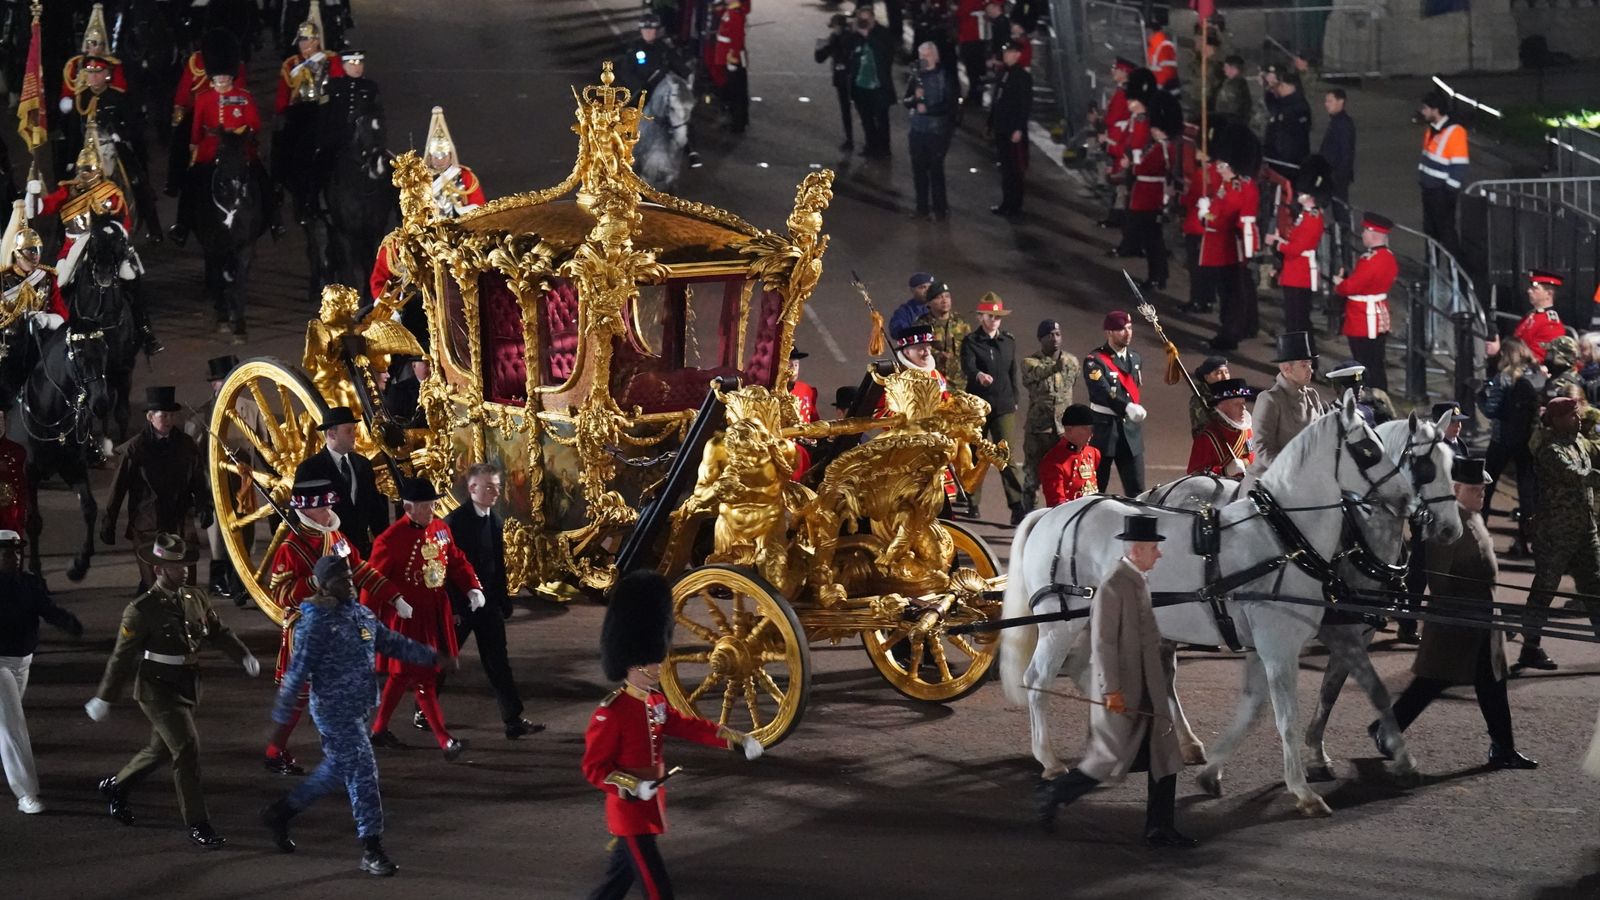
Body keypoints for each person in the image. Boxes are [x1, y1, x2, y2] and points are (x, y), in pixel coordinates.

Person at [261, 554, 450, 875]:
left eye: (350, 577)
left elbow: (390, 642)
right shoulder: (315, 624)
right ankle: (371, 849)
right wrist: (280, 722)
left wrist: (432, 656)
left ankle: (280, 813)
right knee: (364, 774)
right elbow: (297, 673)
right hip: (334, 714)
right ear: (324, 586)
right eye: (341, 579)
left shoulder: (360, 614)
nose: (350, 583)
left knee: (336, 771)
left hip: (359, 708)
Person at [582, 569, 764, 900]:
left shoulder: (653, 700)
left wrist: (734, 739)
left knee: (614, 885)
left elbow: (685, 725)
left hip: (647, 809)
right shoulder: (611, 712)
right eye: (653, 663)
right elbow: (595, 769)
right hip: (630, 813)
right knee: (658, 890)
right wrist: (632, 786)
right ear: (634, 665)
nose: (660, 666)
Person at [86, 533, 259, 848]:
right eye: (176, 566)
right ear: (158, 569)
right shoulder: (142, 609)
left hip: (188, 685)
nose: (184, 571)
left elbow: (217, 631)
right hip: (157, 689)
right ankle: (198, 823)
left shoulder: (195, 597)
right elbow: (121, 657)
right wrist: (104, 697)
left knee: (160, 749)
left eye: (186, 565)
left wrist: (242, 654)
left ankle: (117, 785)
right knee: (186, 748)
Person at [1037, 514, 1194, 848]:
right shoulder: (1114, 585)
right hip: (1124, 689)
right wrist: (1112, 691)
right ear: (1137, 550)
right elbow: (1104, 643)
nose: (1160, 554)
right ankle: (1054, 796)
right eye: (1154, 548)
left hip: (1147, 687)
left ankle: (1160, 827)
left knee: (1164, 757)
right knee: (1104, 761)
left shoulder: (1135, 579)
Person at [1372, 456, 1539, 770]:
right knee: (1431, 683)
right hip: (1458, 623)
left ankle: (1503, 747)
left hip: (1482, 619)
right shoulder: (1448, 523)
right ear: (1455, 489)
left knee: (1491, 684)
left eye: (1483, 489)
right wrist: (1459, 617)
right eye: (1475, 489)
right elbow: (1438, 580)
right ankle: (1385, 727)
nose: (1482, 494)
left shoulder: (1472, 515)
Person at [264, 480, 410, 777]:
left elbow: (360, 569)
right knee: (299, 697)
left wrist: (393, 595)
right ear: (307, 511)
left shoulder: (336, 537)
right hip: (306, 629)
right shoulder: (290, 548)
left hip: (337, 628)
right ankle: (274, 750)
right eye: (323, 506)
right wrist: (313, 584)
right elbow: (280, 595)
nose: (329, 508)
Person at [367, 478, 482, 760]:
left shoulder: (441, 529)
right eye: (427, 505)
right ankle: (445, 741)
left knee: (402, 674)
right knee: (424, 679)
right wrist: (368, 622)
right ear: (408, 507)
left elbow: (455, 561)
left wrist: (472, 587)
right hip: (406, 618)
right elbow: (372, 582)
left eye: (433, 503)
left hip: (434, 614)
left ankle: (379, 729)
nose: (432, 509)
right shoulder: (389, 540)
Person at [439, 464, 544, 740]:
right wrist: (454, 610)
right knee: (444, 659)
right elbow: (445, 571)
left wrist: (503, 600)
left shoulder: (495, 520)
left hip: (487, 606)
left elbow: (498, 565)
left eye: (497, 485)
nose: (496, 491)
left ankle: (513, 719)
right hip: (461, 607)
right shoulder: (454, 523)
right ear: (472, 488)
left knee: (498, 662)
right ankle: (423, 710)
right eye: (489, 486)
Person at [0, 530, 82, 815]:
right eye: (8, 552)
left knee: (5, 721)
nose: (15, 556)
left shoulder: (30, 584)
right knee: (12, 724)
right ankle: (26, 793)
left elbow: (47, 609)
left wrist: (67, 622)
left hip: (22, 661)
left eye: (17, 551)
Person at [1518, 397, 1600, 672]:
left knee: (1596, 588)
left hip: (1585, 530)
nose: (1578, 420)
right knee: (1544, 590)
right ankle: (1530, 647)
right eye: (1572, 416)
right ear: (1556, 419)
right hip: (1555, 533)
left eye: (1577, 415)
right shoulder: (1550, 450)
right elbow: (1577, 475)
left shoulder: (1577, 443)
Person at [103, 388, 213, 590]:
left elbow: (198, 479)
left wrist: (204, 506)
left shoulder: (186, 445)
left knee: (185, 581)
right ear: (150, 417)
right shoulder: (136, 448)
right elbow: (119, 486)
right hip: (148, 524)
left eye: (172, 415)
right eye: (164, 415)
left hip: (179, 521)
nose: (169, 420)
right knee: (155, 582)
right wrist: (108, 522)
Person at [170, 31, 271, 250]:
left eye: (225, 75)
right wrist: (194, 143)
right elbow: (197, 126)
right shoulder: (204, 97)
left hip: (239, 144)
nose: (222, 78)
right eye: (219, 76)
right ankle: (182, 225)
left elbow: (254, 123)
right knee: (192, 181)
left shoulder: (242, 96)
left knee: (262, 177)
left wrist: (245, 135)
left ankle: (273, 219)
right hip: (211, 146)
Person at [64, 57, 162, 242]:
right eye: (90, 72)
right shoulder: (80, 98)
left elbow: (135, 124)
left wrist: (121, 134)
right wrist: (70, 160)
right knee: (68, 190)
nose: (93, 77)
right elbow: (73, 134)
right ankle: (66, 233)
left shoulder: (118, 97)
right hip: (87, 154)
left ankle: (153, 228)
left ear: (107, 74)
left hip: (113, 149)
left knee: (137, 182)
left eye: (98, 72)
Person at [960, 294, 1027, 521]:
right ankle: (972, 501)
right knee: (977, 456)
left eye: (998, 316)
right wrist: (978, 375)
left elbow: (1012, 372)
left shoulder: (1008, 341)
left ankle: (1017, 505)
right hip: (978, 407)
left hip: (1004, 405)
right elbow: (968, 367)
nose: (996, 320)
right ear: (980, 317)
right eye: (991, 316)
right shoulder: (971, 342)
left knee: (1005, 456)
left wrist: (1015, 397)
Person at [294, 406, 390, 555]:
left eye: (354, 429)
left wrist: (386, 546)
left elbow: (375, 510)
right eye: (349, 430)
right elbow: (298, 516)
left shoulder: (363, 465)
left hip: (362, 552)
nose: (355, 435)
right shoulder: (309, 469)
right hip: (328, 553)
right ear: (332, 434)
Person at [168, 28, 249, 196]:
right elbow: (183, 92)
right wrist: (179, 118)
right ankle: (174, 182)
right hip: (198, 111)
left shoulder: (237, 65)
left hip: (229, 114)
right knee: (179, 141)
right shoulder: (195, 62)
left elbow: (240, 93)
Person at [1245, 331, 1324, 484]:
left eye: (1310, 364)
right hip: (1269, 479)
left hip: (1307, 475)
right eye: (1304, 365)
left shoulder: (1312, 396)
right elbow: (1261, 447)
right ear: (1287, 369)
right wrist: (1290, 469)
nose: (1310, 370)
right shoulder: (1270, 399)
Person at [1332, 213, 1398, 392]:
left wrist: (1340, 284)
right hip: (1378, 314)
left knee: (1364, 362)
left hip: (1364, 318)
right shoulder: (1388, 257)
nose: (1362, 235)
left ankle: (1369, 399)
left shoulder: (1372, 260)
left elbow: (1354, 286)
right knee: (1376, 361)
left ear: (1373, 233)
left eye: (1365, 231)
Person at [1085, 310, 1147, 495]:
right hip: (1104, 430)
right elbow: (1102, 391)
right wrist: (1127, 407)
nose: (1127, 333)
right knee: (1096, 490)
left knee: (1137, 491)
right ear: (1109, 332)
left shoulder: (1135, 359)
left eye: (1129, 328)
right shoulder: (1094, 361)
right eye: (1121, 329)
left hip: (1130, 433)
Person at [1266, 156, 1330, 335]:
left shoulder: (1312, 219)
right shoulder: (1305, 216)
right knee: (1294, 319)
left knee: (1299, 321)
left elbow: (1296, 248)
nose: (1298, 195)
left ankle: (1307, 359)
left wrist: (1277, 244)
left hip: (1301, 272)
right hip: (1294, 270)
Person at [1022, 320, 1081, 509]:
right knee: (1032, 477)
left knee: (1066, 474)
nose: (1054, 338)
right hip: (1039, 429)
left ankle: (1062, 513)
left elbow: (1072, 384)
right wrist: (1055, 367)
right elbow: (1035, 374)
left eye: (1057, 334)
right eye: (1049, 335)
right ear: (1041, 338)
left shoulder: (1072, 362)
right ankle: (1028, 516)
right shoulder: (1030, 362)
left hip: (1063, 430)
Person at [1128, 91, 1180, 290]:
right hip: (1146, 194)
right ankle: (1159, 275)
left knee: (1152, 240)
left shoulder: (1163, 148)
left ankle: (1156, 276)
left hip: (1151, 196)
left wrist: (1136, 164)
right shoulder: (1160, 146)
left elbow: (1143, 168)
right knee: (1152, 239)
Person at [904, 42, 956, 221]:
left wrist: (929, 109)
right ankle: (922, 207)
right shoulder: (916, 76)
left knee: (935, 170)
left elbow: (950, 105)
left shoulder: (945, 76)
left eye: (928, 56)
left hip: (936, 131)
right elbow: (906, 100)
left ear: (935, 56)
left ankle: (940, 209)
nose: (924, 59)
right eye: (922, 56)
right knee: (918, 170)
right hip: (917, 129)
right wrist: (914, 99)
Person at [1418, 90, 1469, 258]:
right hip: (1429, 189)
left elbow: (1459, 165)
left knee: (1447, 235)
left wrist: (1449, 192)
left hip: (1441, 192)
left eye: (1426, 108)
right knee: (1430, 234)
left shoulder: (1455, 131)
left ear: (1436, 110)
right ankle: (1431, 272)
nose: (1423, 112)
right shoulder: (1432, 130)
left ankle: (1457, 275)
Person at [0, 209, 68, 329]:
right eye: (31, 250)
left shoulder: (47, 276)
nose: (36, 255)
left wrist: (47, 319)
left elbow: (61, 312)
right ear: (18, 253)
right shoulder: (2, 278)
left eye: (38, 249)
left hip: (42, 336)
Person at [989, 41, 1032, 216]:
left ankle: (1015, 205)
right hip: (1002, 126)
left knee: (1015, 169)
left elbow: (1024, 105)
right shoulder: (1003, 73)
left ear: (1017, 55)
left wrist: (1018, 128)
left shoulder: (1021, 77)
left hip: (1012, 128)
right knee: (1005, 168)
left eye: (1010, 52)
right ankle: (1006, 203)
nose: (1006, 55)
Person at [420, 106, 486, 218]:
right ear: (430, 157)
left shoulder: (465, 176)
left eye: (444, 156)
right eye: (436, 157)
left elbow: (480, 207)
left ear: (450, 155)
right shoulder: (420, 179)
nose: (440, 160)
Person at [848, 5, 895, 159]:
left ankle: (884, 148)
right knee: (866, 118)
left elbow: (885, 54)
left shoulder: (883, 33)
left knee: (881, 119)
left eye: (866, 19)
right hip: (861, 85)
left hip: (878, 85)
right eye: (861, 19)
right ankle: (871, 145)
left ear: (873, 18)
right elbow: (847, 51)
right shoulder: (855, 36)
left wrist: (868, 35)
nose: (864, 22)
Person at [1187, 379, 1255, 477]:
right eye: (1236, 404)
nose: (1243, 408)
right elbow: (1194, 473)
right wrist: (1223, 471)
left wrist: (1244, 463)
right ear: (1221, 406)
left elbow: (1252, 458)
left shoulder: (1247, 431)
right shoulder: (1207, 437)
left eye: (1243, 403)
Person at [1039, 404, 1100, 505]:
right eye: (1085, 429)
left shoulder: (1093, 453)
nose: (1091, 434)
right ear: (1069, 429)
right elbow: (1057, 504)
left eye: (1091, 429)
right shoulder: (1053, 461)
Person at [816, 14, 856, 151]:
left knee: (850, 109)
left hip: (849, 77)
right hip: (842, 78)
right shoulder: (835, 38)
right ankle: (849, 139)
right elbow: (820, 57)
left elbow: (822, 57)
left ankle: (851, 139)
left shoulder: (847, 38)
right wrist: (820, 47)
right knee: (846, 109)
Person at [921, 283, 971, 393]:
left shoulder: (961, 322)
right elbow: (916, 351)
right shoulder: (921, 325)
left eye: (947, 296)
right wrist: (937, 355)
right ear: (929, 303)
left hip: (960, 384)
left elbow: (970, 350)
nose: (944, 301)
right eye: (939, 297)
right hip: (934, 384)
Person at [1513, 270, 1566, 364]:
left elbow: (1540, 357)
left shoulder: (1551, 323)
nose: (1529, 291)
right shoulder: (1531, 316)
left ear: (1549, 294)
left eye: (1535, 288)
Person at [711, 0, 749, 133]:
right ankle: (737, 119)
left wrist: (733, 57)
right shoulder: (731, 10)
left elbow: (737, 38)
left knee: (736, 92)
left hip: (731, 58)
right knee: (734, 90)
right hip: (727, 56)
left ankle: (738, 123)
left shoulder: (735, 13)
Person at [1264, 74, 1311, 179]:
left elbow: (1279, 110)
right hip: (1277, 156)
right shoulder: (1285, 101)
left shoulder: (1298, 105)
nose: (1279, 88)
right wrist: (1269, 89)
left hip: (1289, 159)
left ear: (1292, 86)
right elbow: (1272, 106)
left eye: (1282, 85)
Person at [1320, 88, 1356, 206]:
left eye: (1330, 101)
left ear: (1340, 102)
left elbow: (1346, 152)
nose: (1326, 104)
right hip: (1333, 172)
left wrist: (1338, 174)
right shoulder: (1337, 121)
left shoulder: (1343, 124)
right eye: (1326, 101)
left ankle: (1343, 224)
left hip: (1337, 174)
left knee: (1339, 206)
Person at [954, 0, 989, 107]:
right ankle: (976, 95)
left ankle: (975, 95)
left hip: (971, 36)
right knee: (975, 69)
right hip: (976, 36)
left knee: (973, 68)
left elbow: (963, 12)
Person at [1188, 355, 1230, 436]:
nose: (1225, 377)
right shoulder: (1199, 399)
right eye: (1219, 373)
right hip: (1211, 443)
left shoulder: (1229, 395)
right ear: (1207, 377)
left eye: (1226, 372)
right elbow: (1212, 422)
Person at [888, 271, 937, 337]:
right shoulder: (905, 311)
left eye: (930, 287)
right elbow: (896, 330)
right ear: (912, 290)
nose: (927, 290)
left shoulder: (940, 306)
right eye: (923, 287)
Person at [1144, 9, 1179, 92]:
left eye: (1147, 33)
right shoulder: (1153, 47)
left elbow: (1168, 74)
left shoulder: (1165, 47)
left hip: (1164, 92)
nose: (1145, 36)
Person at [1212, 55, 1252, 127]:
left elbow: (1232, 109)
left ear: (1234, 69)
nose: (1224, 69)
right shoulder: (1235, 83)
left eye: (1226, 67)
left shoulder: (1234, 86)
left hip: (1228, 124)